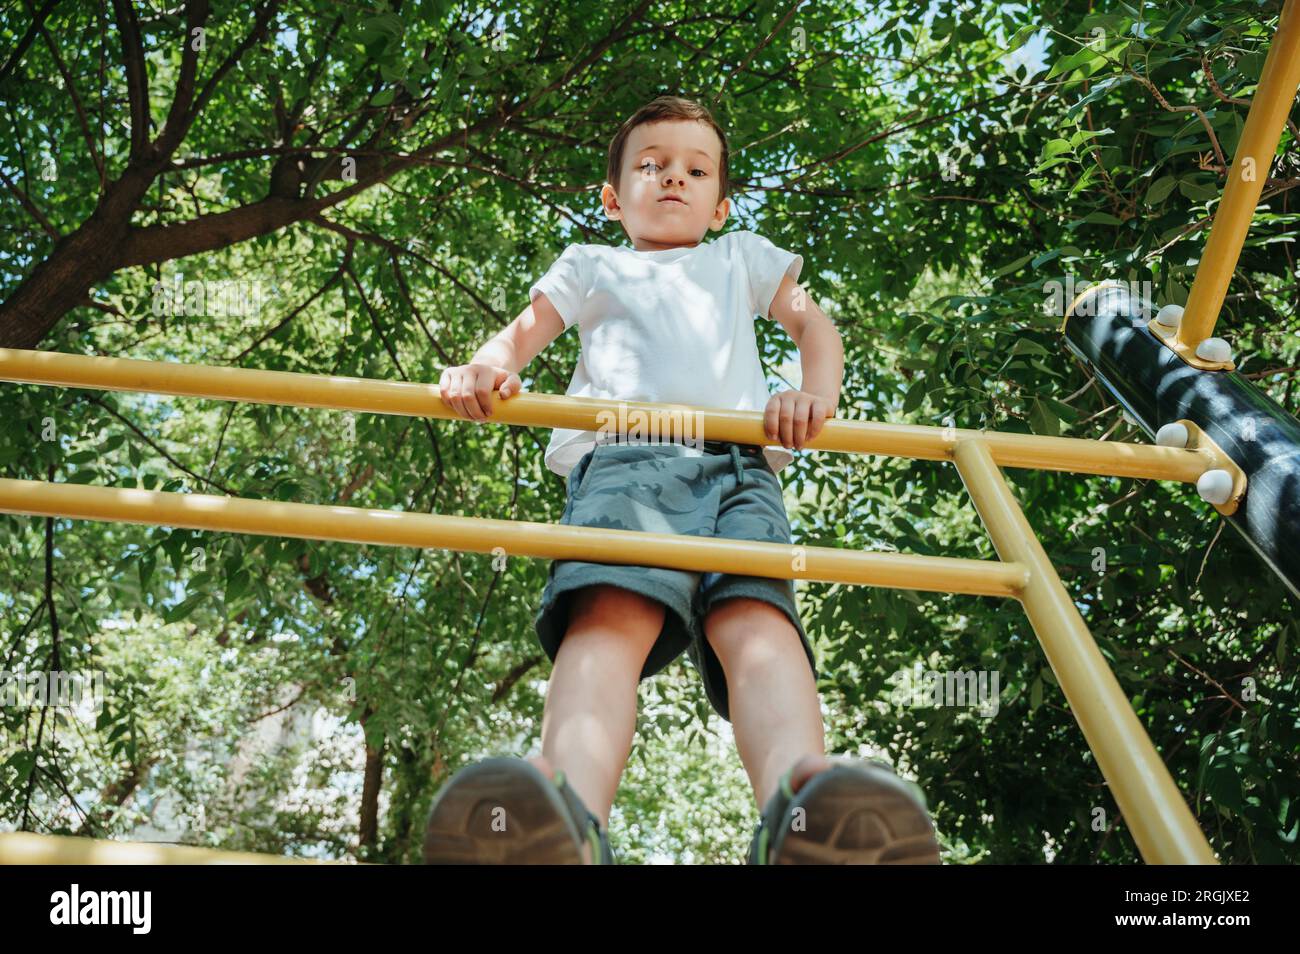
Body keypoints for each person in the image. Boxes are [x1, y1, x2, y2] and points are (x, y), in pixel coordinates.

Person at [424, 96, 940, 864]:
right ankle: (564, 809)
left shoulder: (741, 257)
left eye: (696, 170)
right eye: (651, 165)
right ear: (612, 196)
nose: (674, 178)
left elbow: (813, 325)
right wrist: (489, 367)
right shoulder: (593, 263)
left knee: (758, 627)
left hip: (740, 465)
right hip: (630, 456)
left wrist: (814, 396)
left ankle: (803, 804)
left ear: (721, 202)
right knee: (609, 617)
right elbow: (522, 333)